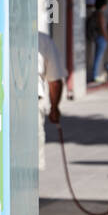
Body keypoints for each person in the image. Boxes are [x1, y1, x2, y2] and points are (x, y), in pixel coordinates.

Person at [38, 30, 67, 169]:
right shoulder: (42, 40)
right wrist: (54, 108)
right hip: (32, 104)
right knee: (33, 159)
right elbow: (55, 81)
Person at [89, 0, 108, 83]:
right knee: (98, 57)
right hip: (101, 37)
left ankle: (95, 74)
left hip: (97, 36)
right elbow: (102, 27)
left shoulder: (94, 13)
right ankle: (95, 75)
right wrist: (106, 37)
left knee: (97, 56)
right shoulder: (100, 13)